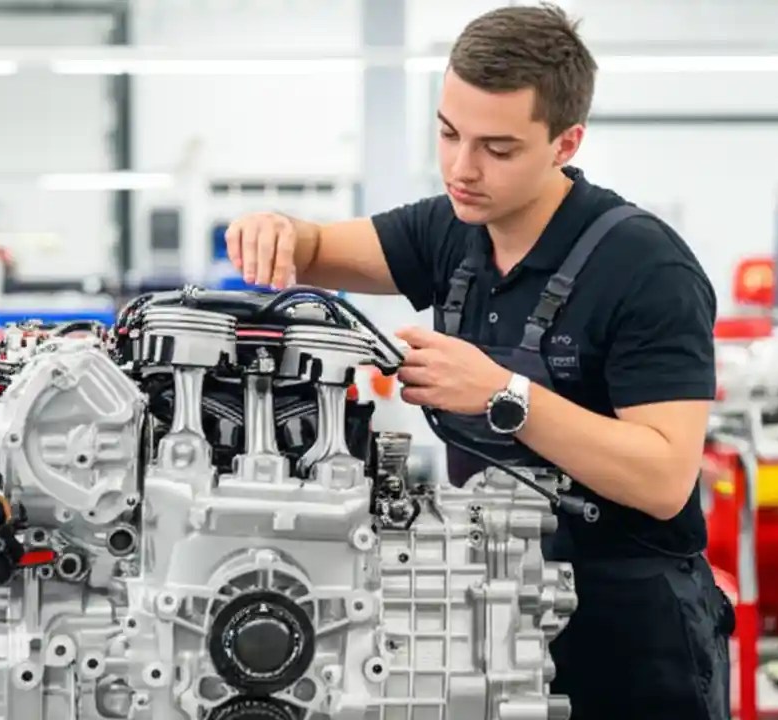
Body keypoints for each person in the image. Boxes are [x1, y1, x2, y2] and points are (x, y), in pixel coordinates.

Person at [224, 4, 732, 718]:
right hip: (491, 606)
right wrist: (276, 227)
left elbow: (663, 478)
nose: (462, 168)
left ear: (566, 142)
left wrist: (505, 394)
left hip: (630, 630)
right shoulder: (451, 230)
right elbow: (314, 247)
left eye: (498, 148)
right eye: (448, 133)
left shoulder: (646, 268)